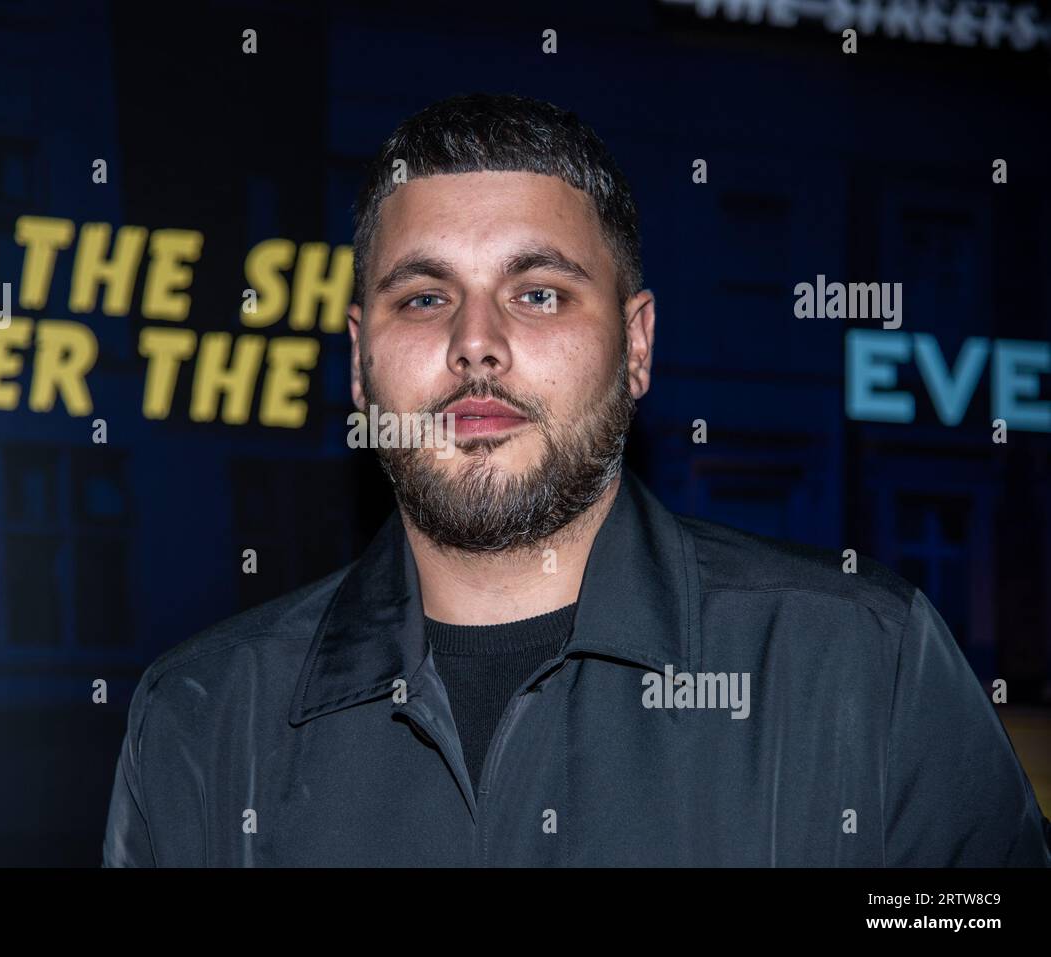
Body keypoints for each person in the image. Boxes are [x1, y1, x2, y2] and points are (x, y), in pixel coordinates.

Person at [103, 92, 1051, 867]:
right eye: (425, 297)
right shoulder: (201, 720)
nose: (476, 343)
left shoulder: (864, 670)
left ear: (636, 345)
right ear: (359, 362)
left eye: (539, 293)